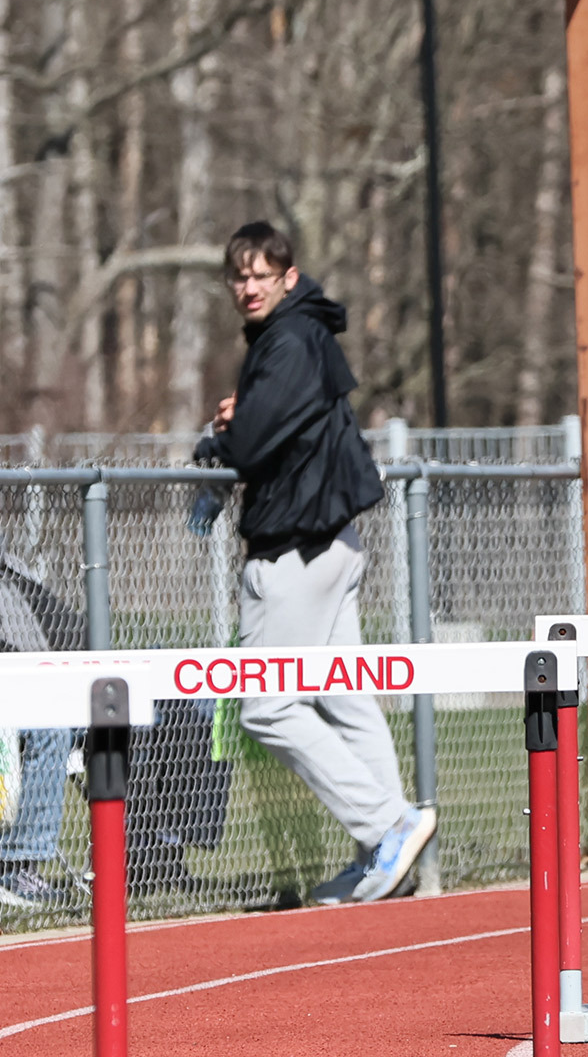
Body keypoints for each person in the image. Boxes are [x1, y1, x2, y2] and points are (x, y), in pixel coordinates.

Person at [194, 222, 434, 903]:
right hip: (329, 542)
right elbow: (275, 425)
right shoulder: (295, 337)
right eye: (238, 277)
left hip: (298, 548)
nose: (247, 288)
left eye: (260, 275)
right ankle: (389, 857)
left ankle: (390, 824)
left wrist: (222, 435)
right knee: (344, 699)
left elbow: (249, 443)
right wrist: (241, 421)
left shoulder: (291, 338)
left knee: (267, 709)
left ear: (288, 279)